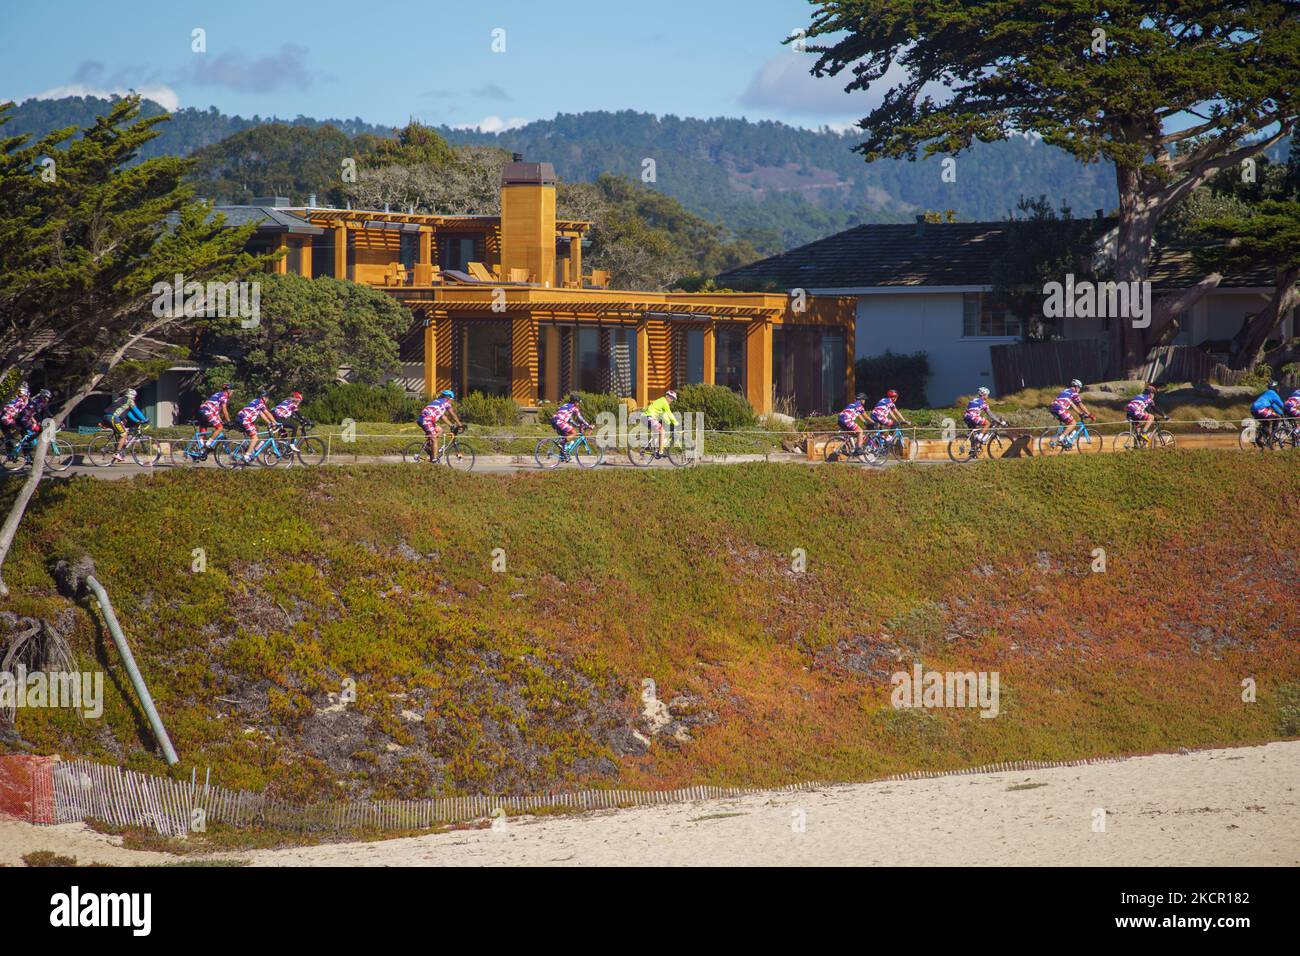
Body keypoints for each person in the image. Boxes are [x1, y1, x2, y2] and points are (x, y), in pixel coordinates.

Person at [416, 389, 463, 460]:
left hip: (423, 419)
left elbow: (443, 417)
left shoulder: (437, 402)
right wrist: (460, 425)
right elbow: (452, 414)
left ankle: (429, 446)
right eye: (451, 399)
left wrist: (451, 425)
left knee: (440, 430)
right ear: (448, 397)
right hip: (427, 420)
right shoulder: (446, 402)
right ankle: (434, 460)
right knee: (434, 439)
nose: (451, 401)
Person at [1047, 378, 1093, 448]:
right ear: (1076, 387)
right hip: (1060, 408)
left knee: (1068, 424)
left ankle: (1064, 440)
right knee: (1073, 423)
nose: (1079, 390)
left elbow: (1073, 405)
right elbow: (1080, 405)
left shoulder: (1066, 391)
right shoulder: (1074, 393)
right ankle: (1061, 438)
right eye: (1079, 388)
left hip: (1052, 407)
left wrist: (1080, 413)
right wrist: (1090, 414)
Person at [233, 389, 276, 462]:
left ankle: (250, 451)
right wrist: (275, 422)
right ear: (264, 397)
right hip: (245, 420)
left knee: (255, 432)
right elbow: (267, 413)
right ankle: (247, 455)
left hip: (241, 418)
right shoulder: (261, 403)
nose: (268, 400)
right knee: (255, 438)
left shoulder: (256, 401)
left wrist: (269, 422)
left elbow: (261, 414)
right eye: (268, 398)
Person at [107, 388, 148, 462]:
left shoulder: (122, 399)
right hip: (113, 418)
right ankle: (117, 453)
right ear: (132, 395)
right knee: (124, 435)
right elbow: (136, 410)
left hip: (107, 417)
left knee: (123, 430)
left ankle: (120, 451)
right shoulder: (129, 400)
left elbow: (128, 413)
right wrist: (144, 419)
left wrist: (136, 420)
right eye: (134, 396)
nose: (135, 398)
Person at [551, 393, 592, 461]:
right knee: (573, 433)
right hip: (559, 421)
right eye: (578, 402)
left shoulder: (566, 405)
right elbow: (580, 418)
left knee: (565, 436)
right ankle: (561, 444)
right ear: (575, 402)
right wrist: (588, 425)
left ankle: (563, 455)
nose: (579, 404)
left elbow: (569, 419)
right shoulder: (574, 407)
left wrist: (577, 425)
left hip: (554, 421)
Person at [641, 389, 679, 457]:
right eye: (671, 398)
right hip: (649, 417)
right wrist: (676, 424)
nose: (672, 400)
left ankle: (652, 448)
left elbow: (665, 416)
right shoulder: (664, 402)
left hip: (645, 418)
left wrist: (669, 423)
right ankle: (661, 451)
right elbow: (669, 414)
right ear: (667, 396)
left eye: (673, 399)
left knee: (658, 431)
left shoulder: (661, 401)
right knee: (662, 431)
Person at [197, 384, 234, 452]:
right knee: (220, 428)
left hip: (202, 411)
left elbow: (216, 413)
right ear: (229, 391)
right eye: (232, 392)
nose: (232, 393)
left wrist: (221, 421)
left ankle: (200, 450)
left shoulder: (218, 394)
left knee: (203, 431)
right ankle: (208, 444)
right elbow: (224, 410)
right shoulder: (224, 395)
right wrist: (229, 421)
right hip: (208, 412)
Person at [1250, 381, 1285, 446]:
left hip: (1253, 409)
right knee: (1277, 418)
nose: (1278, 389)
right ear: (1274, 388)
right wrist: (1286, 411)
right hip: (1260, 408)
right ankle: (1272, 436)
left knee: (1265, 423)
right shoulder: (1273, 393)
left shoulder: (1267, 394)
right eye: (1277, 387)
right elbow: (1281, 404)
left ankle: (1259, 439)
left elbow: (1275, 407)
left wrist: (1281, 412)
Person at [0, 382, 30, 449]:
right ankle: (24, 444)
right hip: (7, 419)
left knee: (8, 437)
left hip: (3, 419)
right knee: (22, 429)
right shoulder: (20, 402)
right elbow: (24, 410)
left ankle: (9, 451)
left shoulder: (15, 400)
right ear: (24, 395)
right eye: (26, 396)